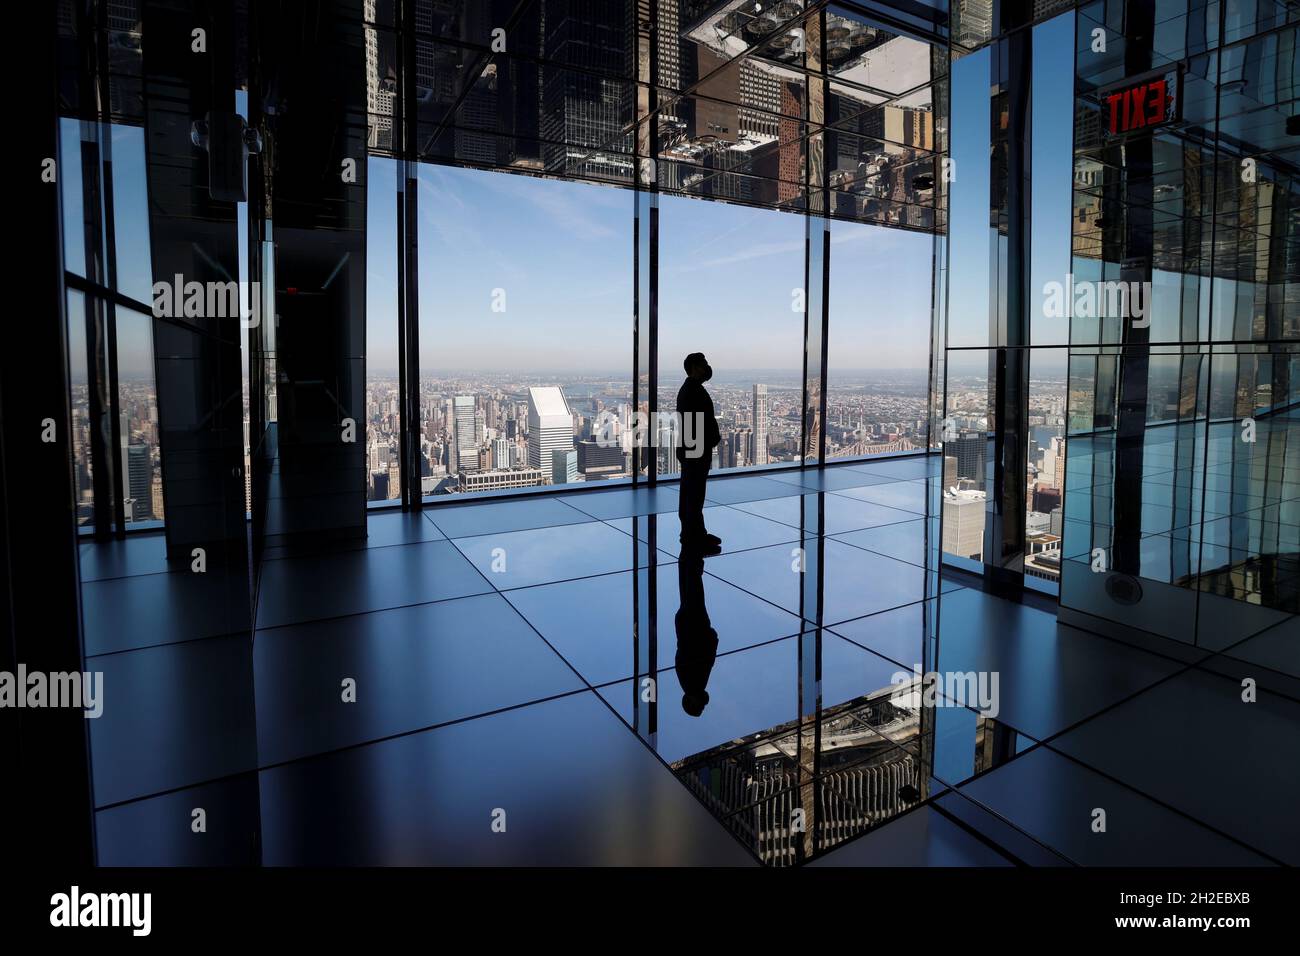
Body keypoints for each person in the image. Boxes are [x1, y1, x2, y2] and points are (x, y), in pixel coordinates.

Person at [676, 352, 721, 553]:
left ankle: (695, 533)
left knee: (692, 494)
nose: (707, 368)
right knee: (694, 494)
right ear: (694, 367)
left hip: (693, 449)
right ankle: (693, 536)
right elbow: (697, 424)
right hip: (695, 449)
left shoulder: (691, 389)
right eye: (703, 364)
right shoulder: (692, 391)